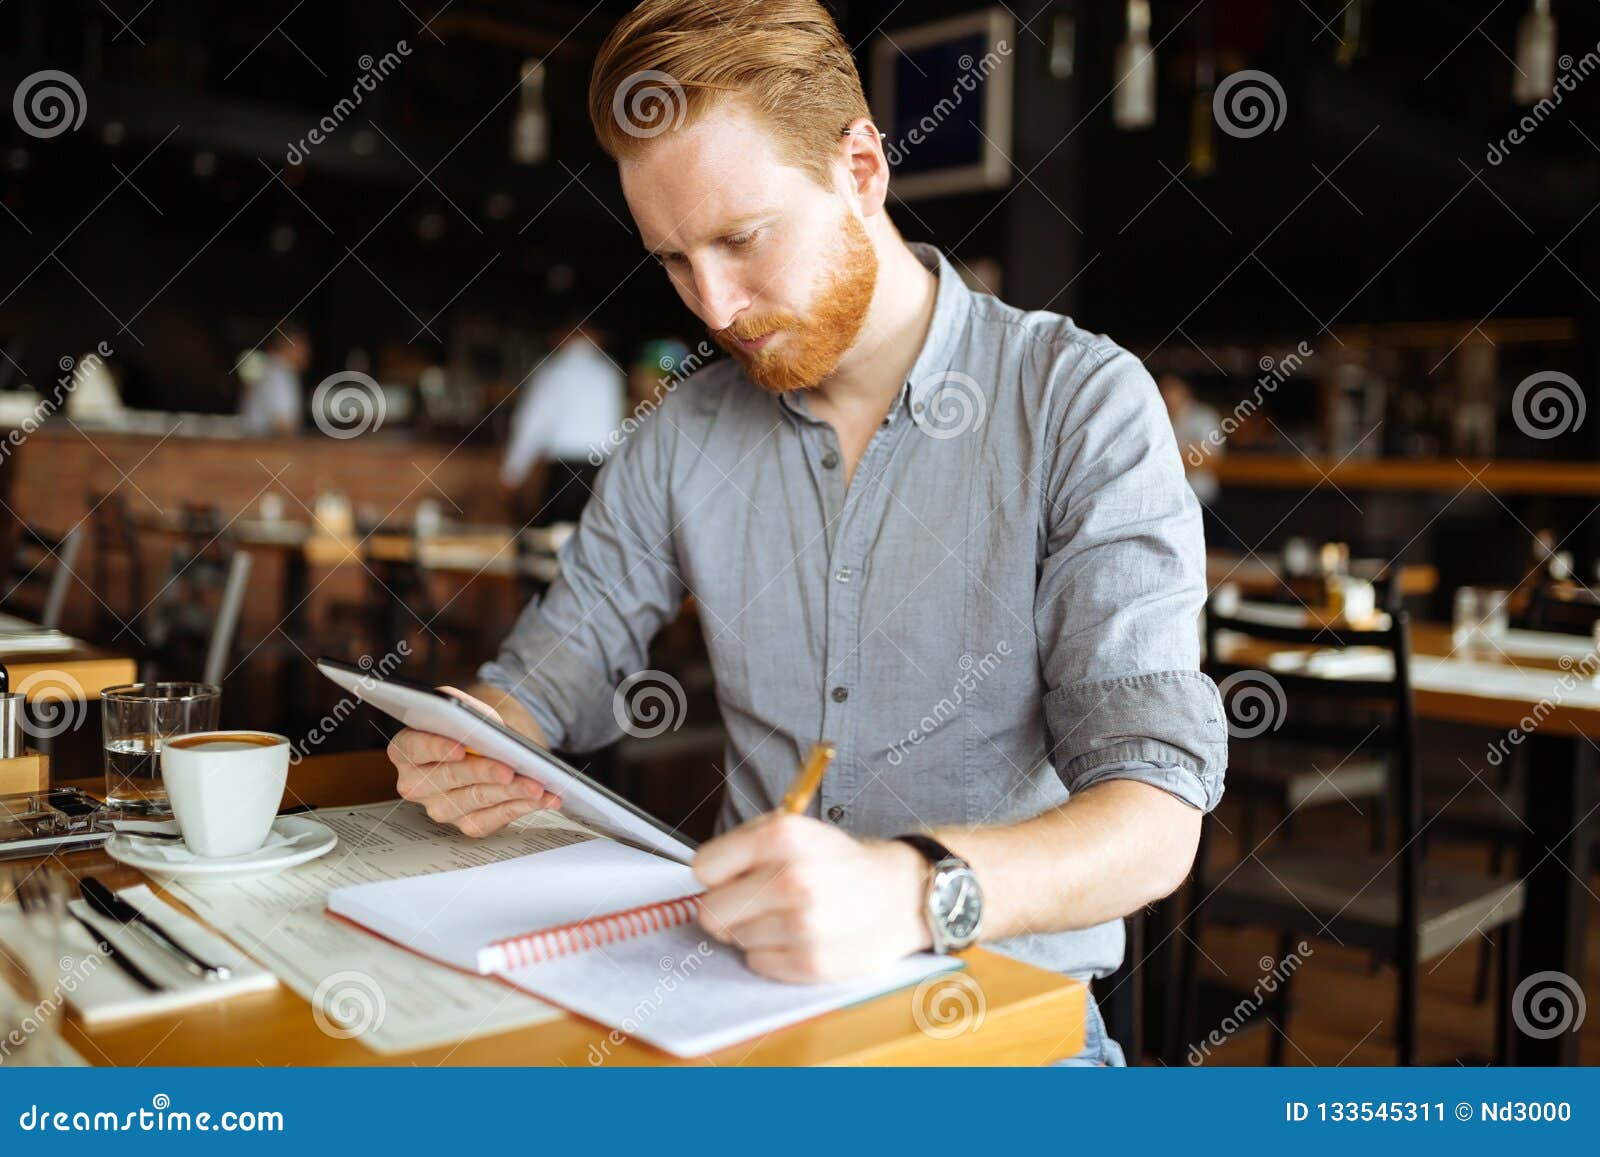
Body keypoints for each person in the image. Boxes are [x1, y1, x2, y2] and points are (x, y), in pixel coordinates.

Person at [387, 0, 1226, 1067]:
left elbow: (1155, 815)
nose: (716, 305)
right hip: (739, 1006)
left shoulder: (1077, 402)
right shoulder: (679, 432)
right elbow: (555, 669)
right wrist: (478, 735)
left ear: (862, 169)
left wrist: (912, 889)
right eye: (675, 261)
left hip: (999, 1030)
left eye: (740, 238)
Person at [500, 321, 625, 526]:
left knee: (557, 541)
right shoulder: (610, 370)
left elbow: (532, 423)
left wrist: (512, 472)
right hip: (602, 469)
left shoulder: (553, 370)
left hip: (566, 472)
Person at [240, 324, 309, 436]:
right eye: (304, 345)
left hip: (253, 443)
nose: (308, 352)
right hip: (265, 447)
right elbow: (284, 426)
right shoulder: (280, 374)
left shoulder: (270, 367)